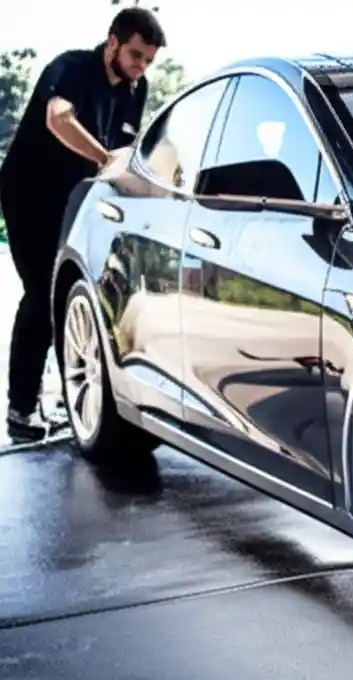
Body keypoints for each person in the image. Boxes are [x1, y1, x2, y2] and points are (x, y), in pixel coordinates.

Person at [0, 7, 164, 440]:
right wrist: (104, 158)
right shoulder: (71, 67)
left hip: (77, 198)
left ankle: (70, 396)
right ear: (112, 42)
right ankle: (20, 410)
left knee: (74, 295)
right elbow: (59, 119)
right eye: (134, 55)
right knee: (40, 294)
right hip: (29, 192)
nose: (140, 67)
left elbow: (127, 149)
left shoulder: (137, 87)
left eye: (147, 60)